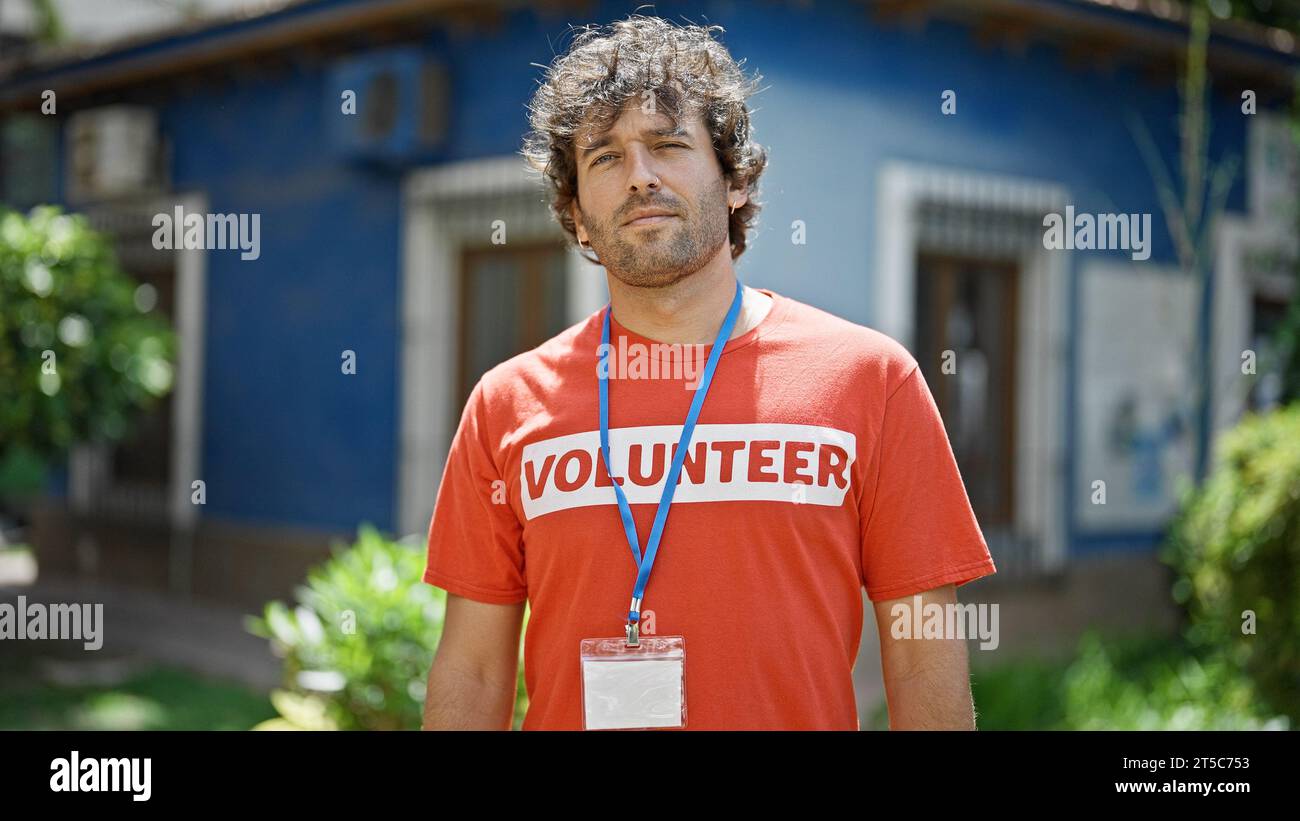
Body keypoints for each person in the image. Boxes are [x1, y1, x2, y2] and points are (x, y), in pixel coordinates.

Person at [421, 15, 995, 730]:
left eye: (669, 145)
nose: (640, 177)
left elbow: (921, 656)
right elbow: (472, 669)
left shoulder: (872, 381)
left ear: (735, 182)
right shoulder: (505, 405)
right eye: (604, 158)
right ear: (574, 215)